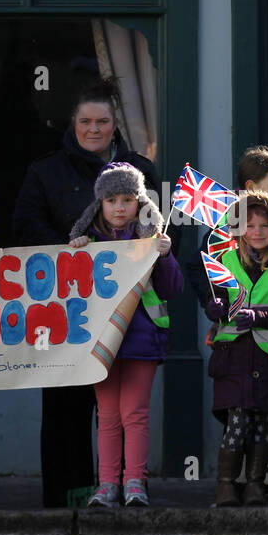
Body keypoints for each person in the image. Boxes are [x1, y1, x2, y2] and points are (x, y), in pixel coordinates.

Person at [12, 78, 160, 508]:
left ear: (116, 125)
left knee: (125, 411)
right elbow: (25, 226)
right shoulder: (46, 170)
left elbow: (159, 229)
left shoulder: (140, 170)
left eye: (103, 121)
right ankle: (66, 497)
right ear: (72, 123)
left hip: (127, 311)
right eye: (85, 121)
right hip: (64, 306)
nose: (93, 129)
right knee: (66, 404)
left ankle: (128, 488)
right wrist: (73, 251)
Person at [188, 145, 268, 504]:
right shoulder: (225, 234)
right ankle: (231, 484)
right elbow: (200, 269)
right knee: (237, 420)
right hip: (236, 349)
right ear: (252, 187)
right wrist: (212, 303)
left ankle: (264, 486)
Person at [68, 162, 182, 508]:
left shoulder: (150, 240)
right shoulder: (88, 242)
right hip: (101, 340)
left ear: (140, 202)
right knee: (107, 415)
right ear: (99, 204)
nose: (120, 207)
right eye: (112, 199)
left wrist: (163, 256)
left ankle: (134, 483)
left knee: (134, 412)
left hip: (142, 339)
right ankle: (107, 486)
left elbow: (172, 288)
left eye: (128, 199)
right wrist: (77, 251)